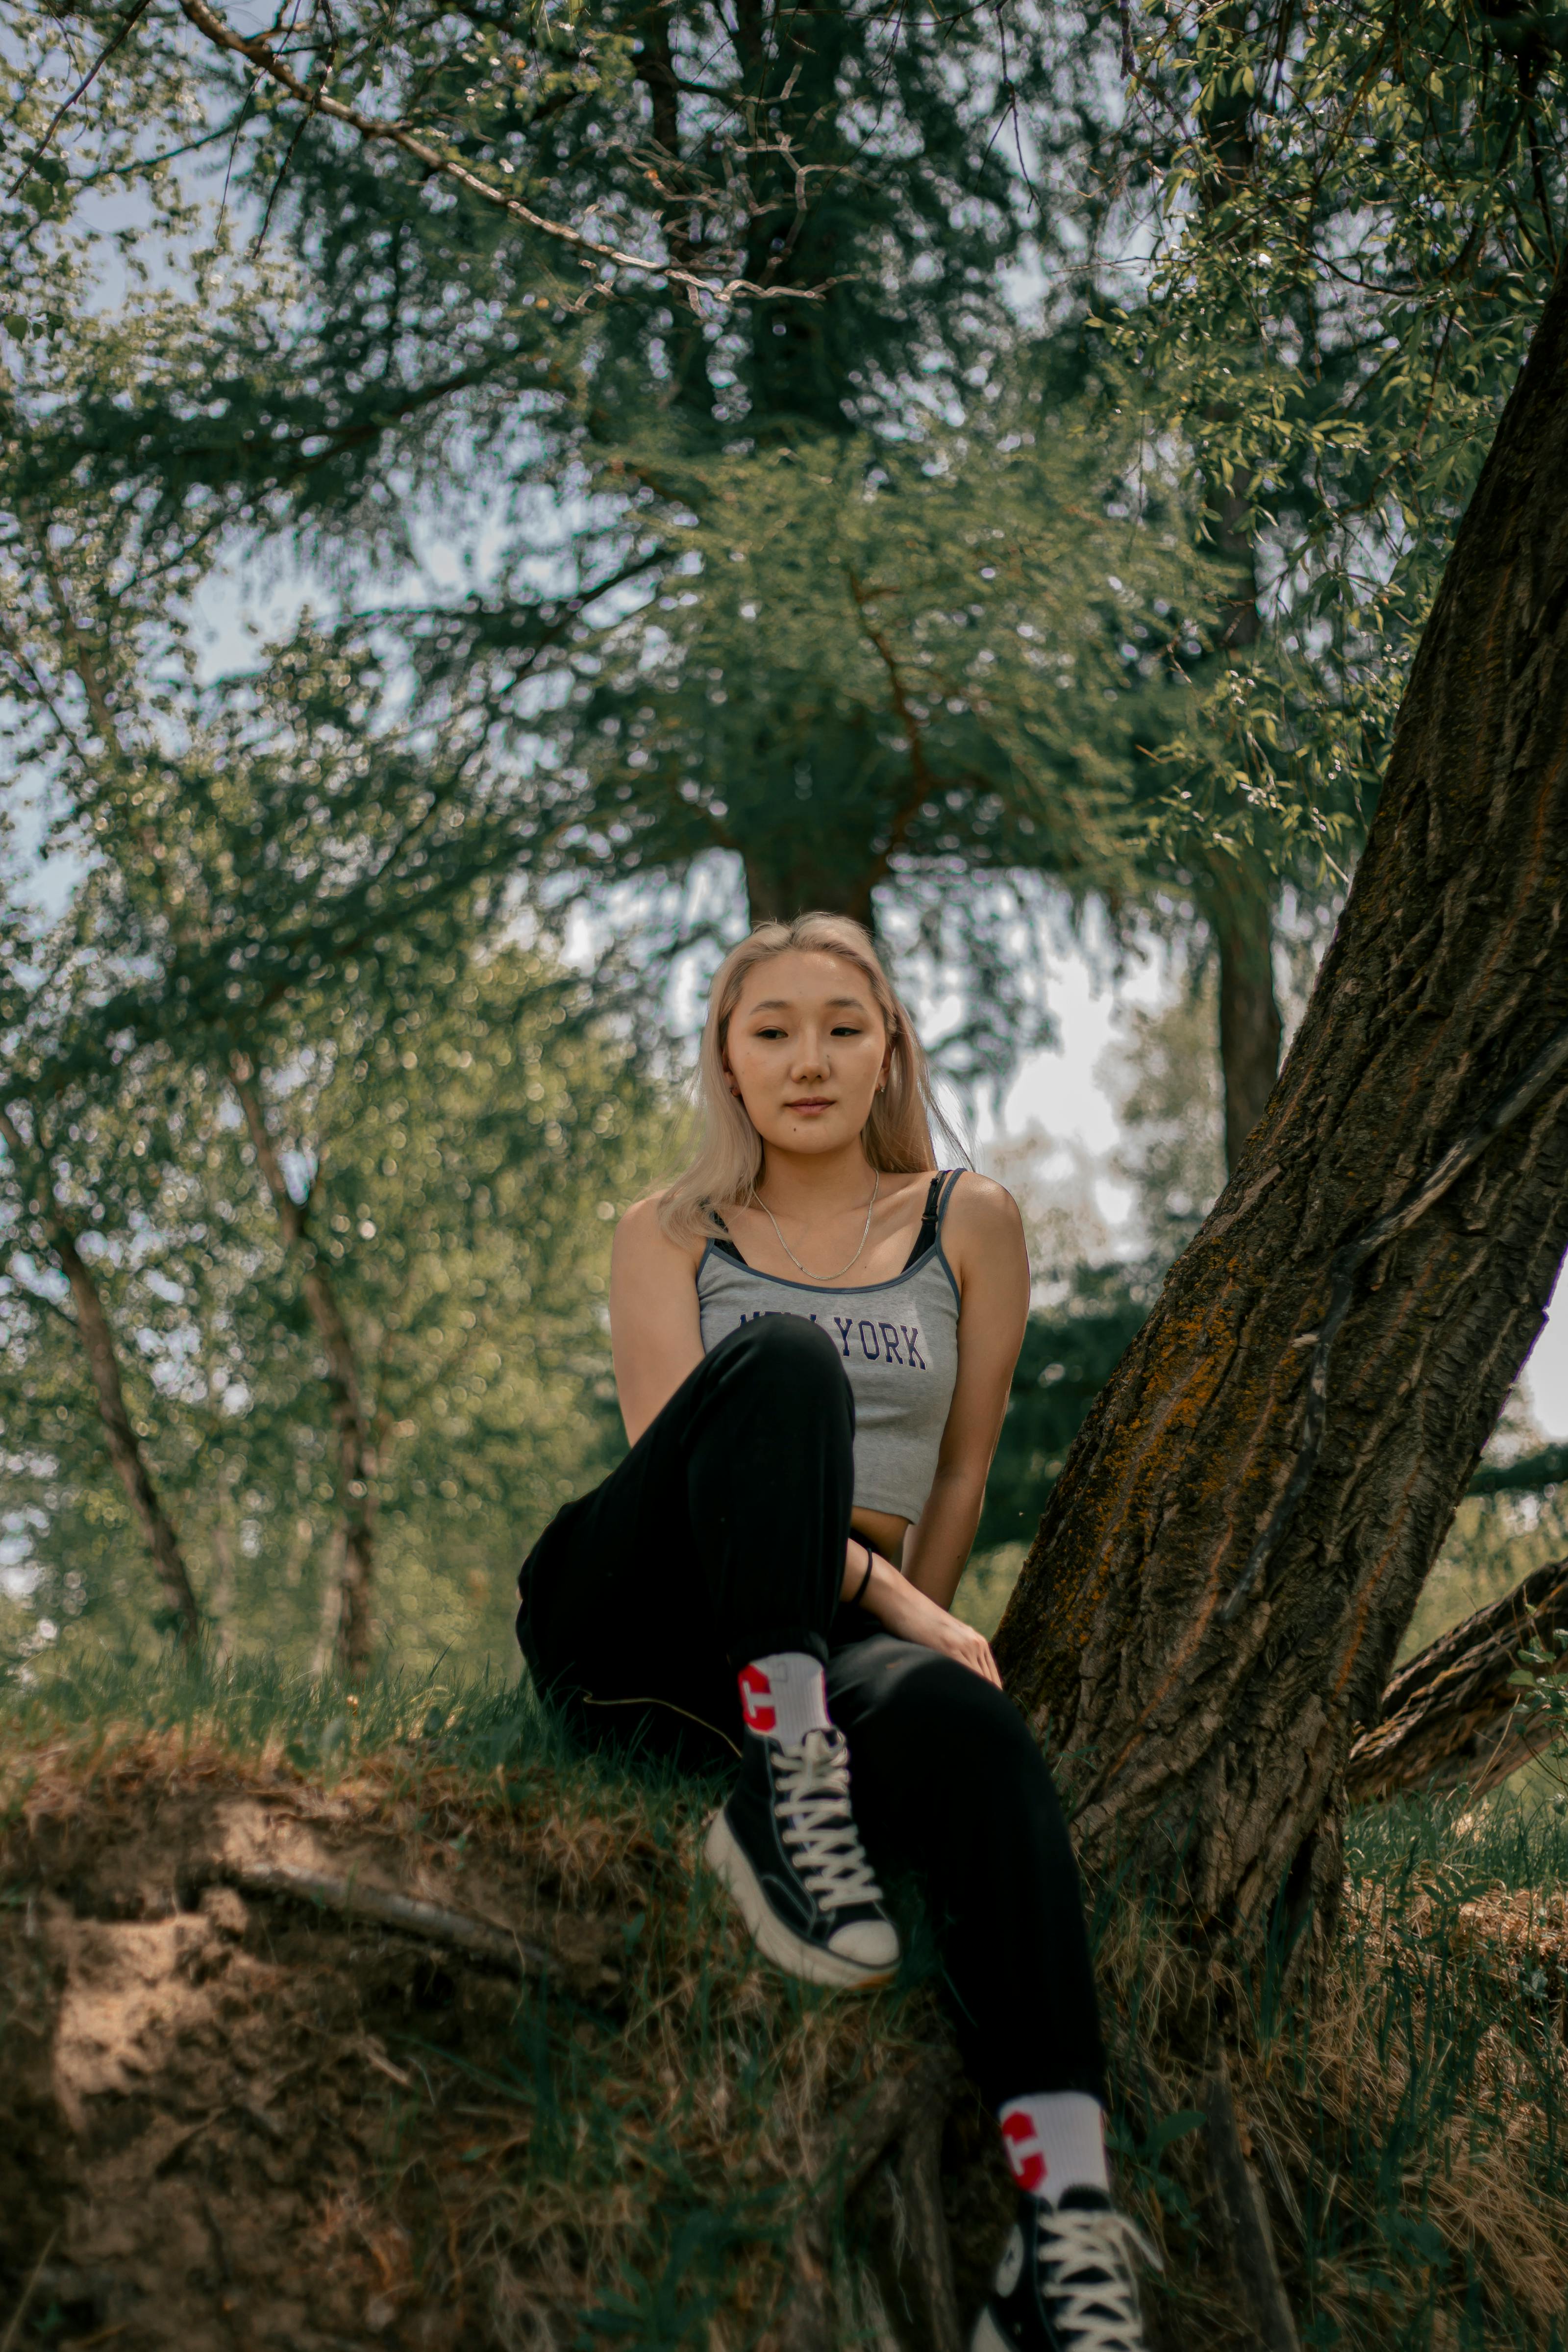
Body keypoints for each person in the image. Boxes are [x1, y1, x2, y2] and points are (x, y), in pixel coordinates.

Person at [517, 912, 1156, 2352]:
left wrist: (912, 1642)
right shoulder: (667, 1234)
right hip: (642, 1612)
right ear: (728, 1066)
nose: (808, 1058)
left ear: (888, 1054)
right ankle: (788, 1787)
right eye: (771, 1030)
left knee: (983, 1742)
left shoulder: (966, 1220)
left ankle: (1065, 2237)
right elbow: (680, 1471)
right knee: (782, 1364)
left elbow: (958, 1474)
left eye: (842, 1028)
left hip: (822, 1633)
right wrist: (914, 1604)